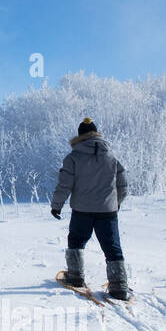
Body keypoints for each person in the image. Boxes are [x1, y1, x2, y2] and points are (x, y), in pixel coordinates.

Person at [49, 117, 131, 299]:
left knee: (76, 241)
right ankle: (119, 286)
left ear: (80, 136)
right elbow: (123, 185)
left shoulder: (73, 158)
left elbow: (64, 185)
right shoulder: (111, 157)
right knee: (112, 247)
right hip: (107, 212)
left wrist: (56, 206)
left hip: (82, 210)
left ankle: (76, 277)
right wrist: (116, 203)